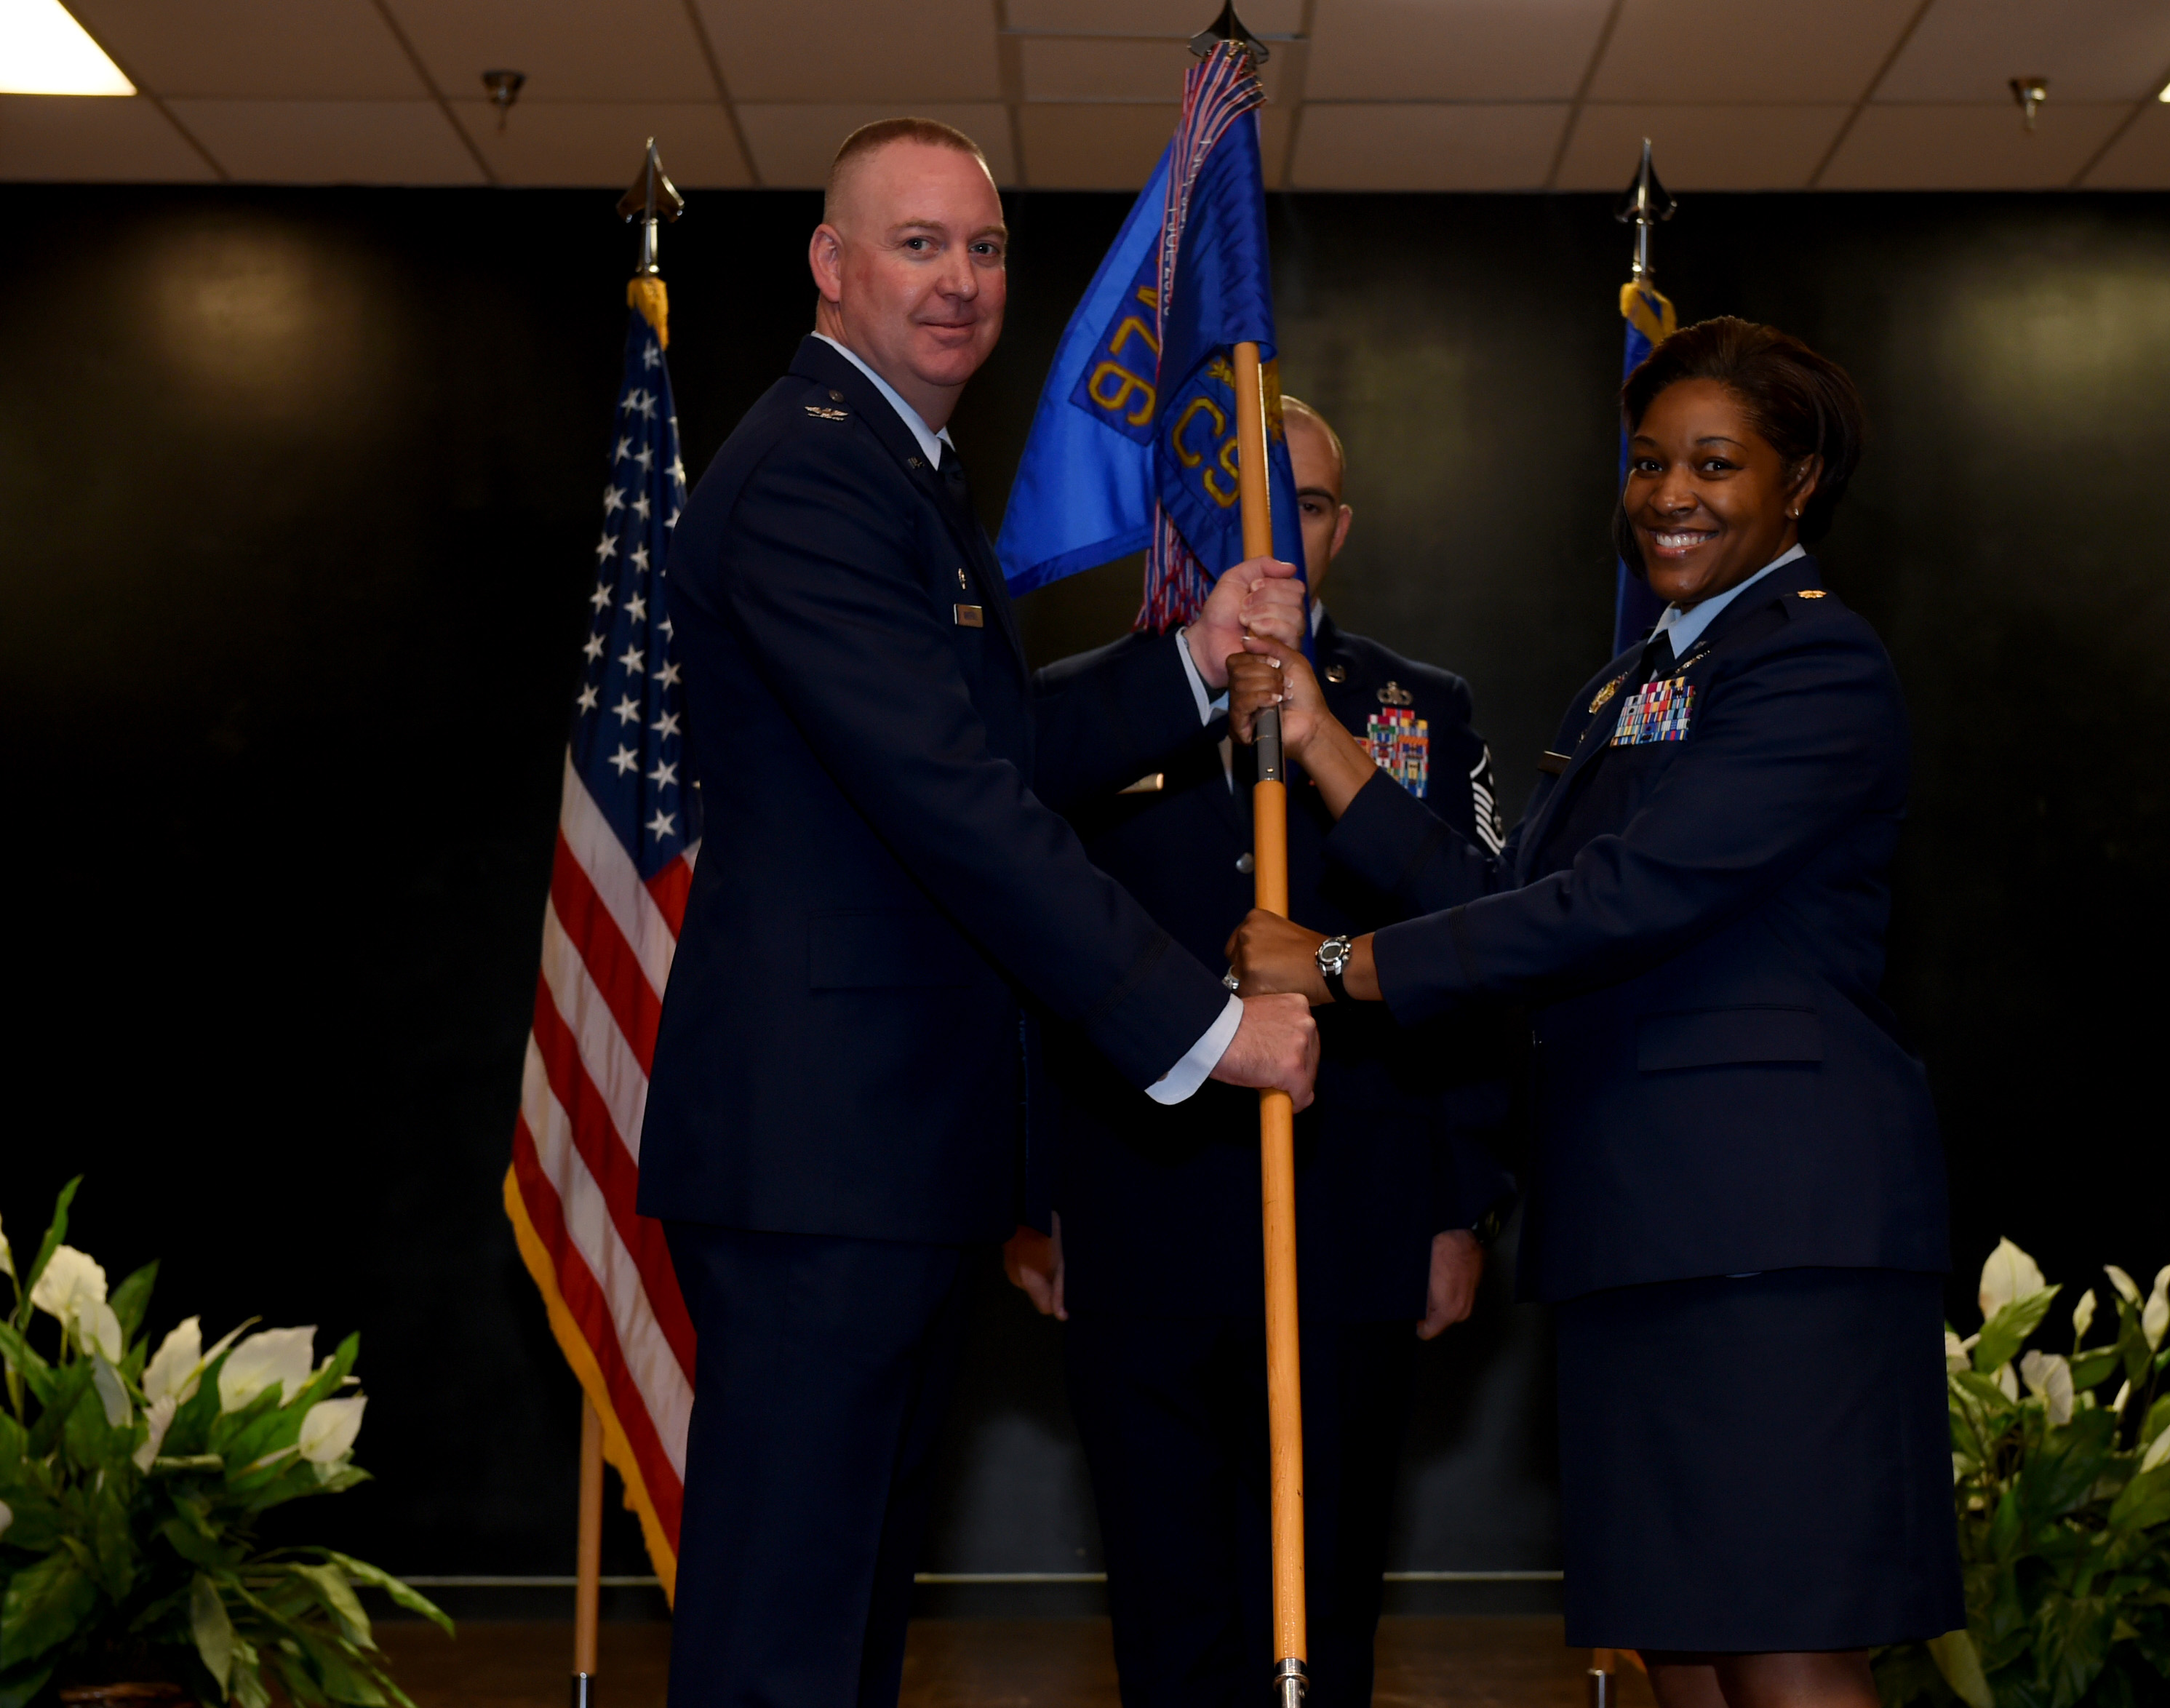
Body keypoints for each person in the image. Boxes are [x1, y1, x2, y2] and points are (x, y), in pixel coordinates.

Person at [634, 119, 1319, 1708]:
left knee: (843, 1613)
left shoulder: (891, 465)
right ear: (832, 265)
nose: (958, 283)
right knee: (785, 1631)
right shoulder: (811, 471)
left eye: (986, 248)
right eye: (919, 244)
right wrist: (1202, 1027)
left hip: (877, 1156)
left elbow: (985, 738)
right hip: (822, 1157)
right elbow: (957, 804)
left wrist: (1191, 659)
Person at [1228, 318, 1962, 1708]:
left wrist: (1333, 967)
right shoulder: (1635, 682)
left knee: (1782, 1634)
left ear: (1795, 486)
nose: (1668, 493)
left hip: (1769, 1234)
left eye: (1713, 463)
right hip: (1640, 1223)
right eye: (1645, 462)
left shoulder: (1814, 666)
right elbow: (1507, 896)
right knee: (1678, 1636)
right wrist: (1324, 746)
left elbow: (1621, 904)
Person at [1004, 396, 1517, 1708]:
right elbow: (1010, 966)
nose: (1279, 535)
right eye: (1243, 504)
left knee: (1322, 1601)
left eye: (1308, 506)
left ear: (1341, 529)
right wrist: (1024, 1195)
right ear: (1187, 525)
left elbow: (1482, 953)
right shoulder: (1081, 714)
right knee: (1167, 1608)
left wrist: (1460, 1208)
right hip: (1134, 1213)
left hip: (1352, 1219)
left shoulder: (1423, 710)